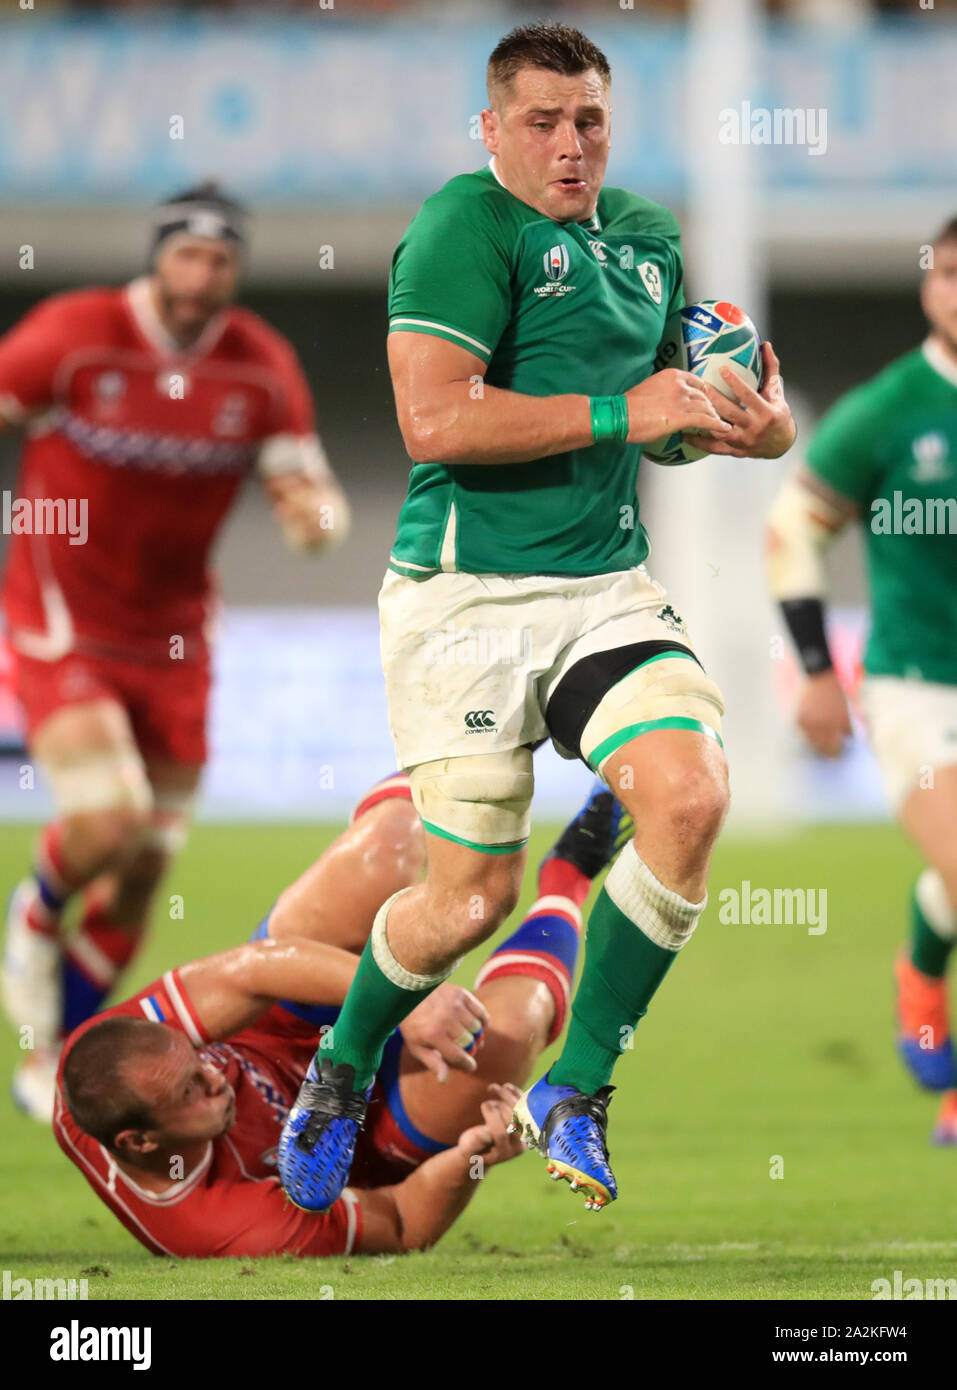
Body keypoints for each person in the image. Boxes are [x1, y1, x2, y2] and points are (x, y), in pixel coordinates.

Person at [277, 20, 796, 1216]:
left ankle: (581, 1087)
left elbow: (674, 413)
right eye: (543, 122)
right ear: (492, 127)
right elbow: (436, 422)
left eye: (591, 121)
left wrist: (752, 427)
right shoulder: (464, 225)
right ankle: (347, 1060)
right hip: (463, 595)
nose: (571, 145)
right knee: (467, 903)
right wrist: (628, 412)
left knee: (690, 793)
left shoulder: (652, 237)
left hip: (602, 586)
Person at [0, 181, 350, 1120]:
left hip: (177, 639)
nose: (203, 274)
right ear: (158, 255)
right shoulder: (73, 334)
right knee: (107, 822)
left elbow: (304, 484)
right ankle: (33, 918)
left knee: (149, 860)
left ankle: (58, 1052)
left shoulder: (258, 368)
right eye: (187, 254)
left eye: (221, 259)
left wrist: (315, 516)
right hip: (61, 621)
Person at [54, 771, 621, 1256]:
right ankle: (567, 877)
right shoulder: (222, 1222)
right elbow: (399, 1222)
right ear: (140, 1143)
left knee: (390, 843)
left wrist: (404, 999)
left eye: (198, 1060)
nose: (214, 1077)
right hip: (368, 1132)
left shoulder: (105, 1051)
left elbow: (252, 970)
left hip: (285, 1024)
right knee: (508, 1033)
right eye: (189, 1093)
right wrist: (475, 1157)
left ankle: (486, 747)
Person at [765, 215, 957, 1145]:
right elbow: (793, 529)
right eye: (949, 274)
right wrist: (814, 672)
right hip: (918, 692)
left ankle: (925, 955)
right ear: (929, 287)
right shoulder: (890, 410)